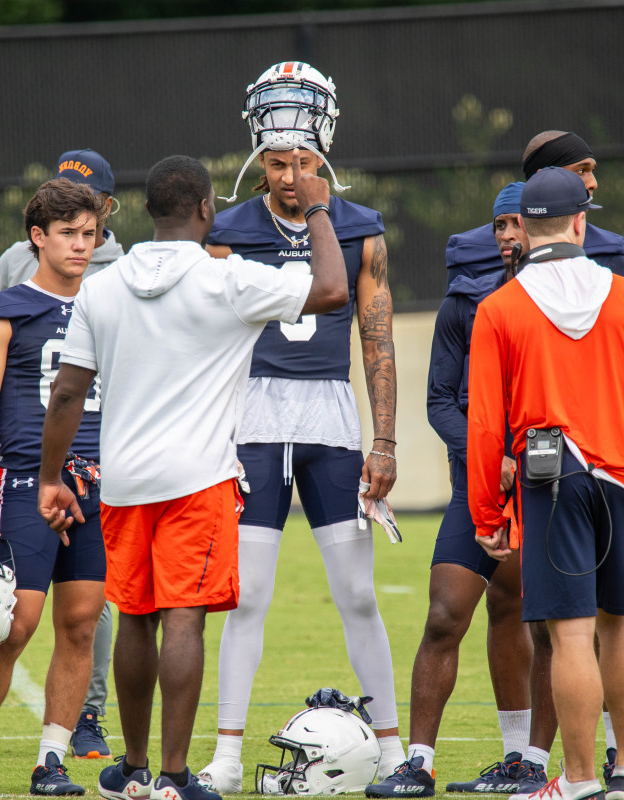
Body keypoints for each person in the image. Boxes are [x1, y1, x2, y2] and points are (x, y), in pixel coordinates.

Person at [37, 154, 347, 800]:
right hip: (197, 480)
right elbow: (331, 290)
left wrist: (48, 479)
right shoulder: (226, 280)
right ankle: (176, 775)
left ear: (148, 212)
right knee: (184, 619)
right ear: (207, 208)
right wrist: (317, 206)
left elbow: (67, 394)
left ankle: (133, 768)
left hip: (122, 481)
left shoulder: (103, 284)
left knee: (134, 619)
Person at [198, 60, 404, 793]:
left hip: (330, 417)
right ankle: (224, 753)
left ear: (326, 150)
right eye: (279, 162)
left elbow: (375, 342)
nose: (291, 176)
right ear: (259, 154)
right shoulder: (224, 231)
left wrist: (383, 441)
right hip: (250, 415)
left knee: (356, 592)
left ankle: (391, 746)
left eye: (305, 161)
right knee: (246, 594)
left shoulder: (359, 227)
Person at [0, 150, 123, 763]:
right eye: (68, 235)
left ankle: (52, 759)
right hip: (27, 484)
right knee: (11, 626)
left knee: (82, 624)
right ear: (38, 238)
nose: (82, 246)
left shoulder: (112, 307)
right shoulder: (1, 310)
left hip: (98, 486)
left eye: (90, 234)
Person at [467, 167, 624, 800]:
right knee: (622, 624)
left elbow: (483, 426)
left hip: (550, 477)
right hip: (621, 472)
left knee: (572, 633)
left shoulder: (498, 308)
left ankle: (579, 783)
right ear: (582, 220)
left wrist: (487, 512)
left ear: (522, 228)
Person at [367, 182, 555, 799]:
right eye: (499, 224)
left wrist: (519, 456)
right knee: (446, 612)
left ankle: (530, 760)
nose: (507, 236)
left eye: (517, 224)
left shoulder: (566, 300)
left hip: (546, 486)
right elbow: (441, 401)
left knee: (541, 618)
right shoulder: (463, 305)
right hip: (475, 483)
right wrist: (485, 456)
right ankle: (419, 762)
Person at [446, 129, 624, 287]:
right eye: (581, 171)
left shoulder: (608, 248)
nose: (593, 183)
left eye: (592, 171)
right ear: (542, 177)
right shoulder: (468, 251)